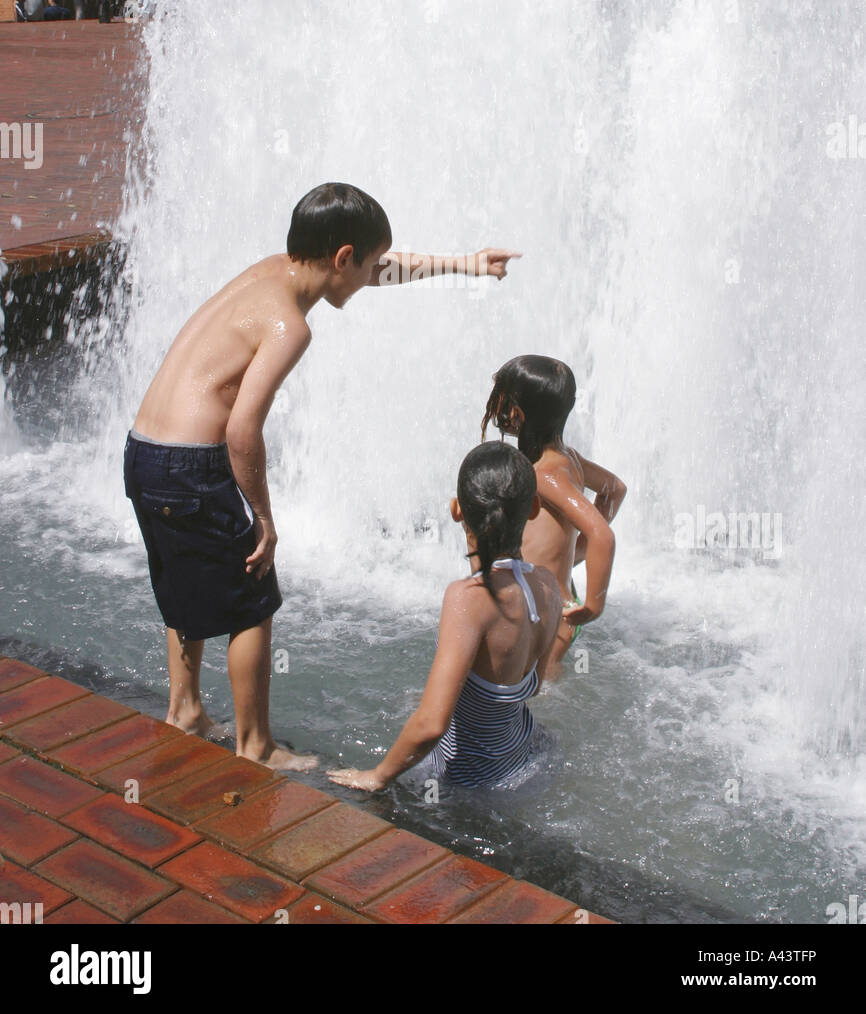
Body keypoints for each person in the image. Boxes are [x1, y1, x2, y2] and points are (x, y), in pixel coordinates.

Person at [124, 182, 520, 772]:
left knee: (185, 581)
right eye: (367, 266)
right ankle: (255, 746)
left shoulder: (271, 272)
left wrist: (464, 264)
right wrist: (264, 518)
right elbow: (242, 432)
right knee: (252, 598)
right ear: (342, 258)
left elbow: (382, 266)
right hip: (190, 464)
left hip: (144, 454)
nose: (372, 278)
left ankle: (184, 711)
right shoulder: (290, 325)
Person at [328, 442, 562, 792]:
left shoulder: (467, 599)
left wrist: (375, 776)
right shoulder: (548, 587)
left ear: (456, 510)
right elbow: (531, 686)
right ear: (534, 508)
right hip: (529, 758)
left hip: (469, 782)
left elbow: (432, 725)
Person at [481, 355, 626, 679]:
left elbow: (603, 534)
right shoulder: (567, 458)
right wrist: (576, 552)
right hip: (550, 604)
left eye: (499, 396)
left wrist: (593, 605)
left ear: (517, 412)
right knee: (530, 689)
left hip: (547, 617)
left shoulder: (545, 475)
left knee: (535, 694)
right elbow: (614, 489)